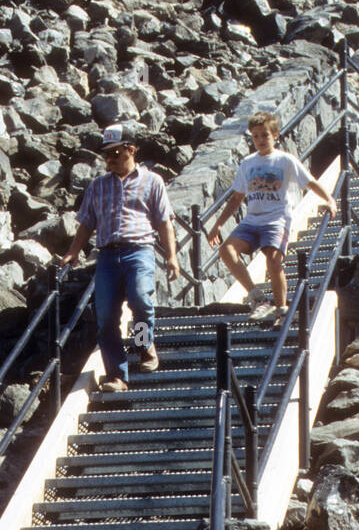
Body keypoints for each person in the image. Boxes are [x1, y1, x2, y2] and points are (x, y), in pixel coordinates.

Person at [60, 123, 180, 393]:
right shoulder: (97, 186)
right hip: (107, 256)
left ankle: (143, 344)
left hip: (139, 250)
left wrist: (172, 256)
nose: (110, 159)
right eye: (106, 155)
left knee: (140, 298)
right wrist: (73, 250)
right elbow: (86, 223)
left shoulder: (152, 181)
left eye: (116, 152)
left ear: (131, 149)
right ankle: (118, 377)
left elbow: (164, 222)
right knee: (106, 317)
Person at [207, 110, 338, 322]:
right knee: (227, 250)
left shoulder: (285, 160)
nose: (260, 140)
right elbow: (236, 197)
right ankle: (258, 298)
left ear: (275, 135)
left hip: (277, 218)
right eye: (256, 136)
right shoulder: (247, 163)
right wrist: (218, 225)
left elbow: (310, 181)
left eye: (265, 135)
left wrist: (330, 199)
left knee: (274, 258)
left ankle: (281, 309)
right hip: (252, 220)